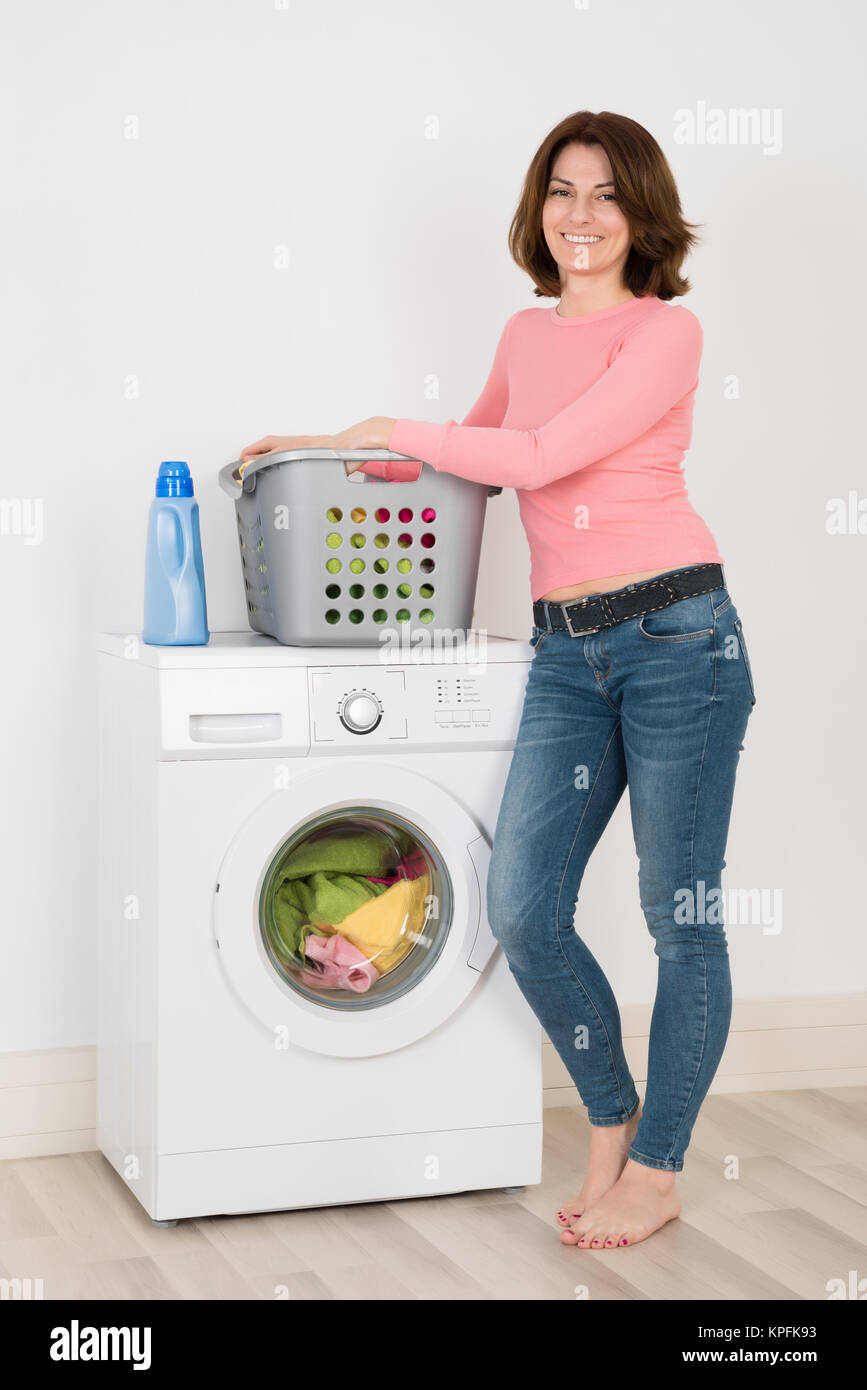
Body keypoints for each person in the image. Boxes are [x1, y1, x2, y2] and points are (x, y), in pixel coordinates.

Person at [239, 109, 757, 1250]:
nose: (582, 216)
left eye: (607, 195)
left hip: (679, 638)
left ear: (643, 214)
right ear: (539, 210)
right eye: (562, 192)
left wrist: (394, 419)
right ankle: (613, 1122)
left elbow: (535, 458)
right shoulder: (527, 336)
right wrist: (317, 451)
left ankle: (661, 1166)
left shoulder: (668, 332)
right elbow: (456, 459)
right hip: (566, 649)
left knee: (682, 921)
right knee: (522, 907)